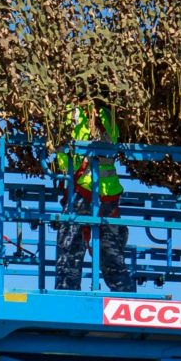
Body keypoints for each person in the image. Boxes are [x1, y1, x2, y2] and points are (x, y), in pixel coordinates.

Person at [53, 103, 132, 292]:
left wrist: (59, 164)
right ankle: (126, 297)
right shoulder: (108, 114)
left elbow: (64, 159)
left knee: (70, 251)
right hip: (109, 197)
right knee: (111, 254)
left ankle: (66, 295)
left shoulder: (72, 113)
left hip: (81, 192)